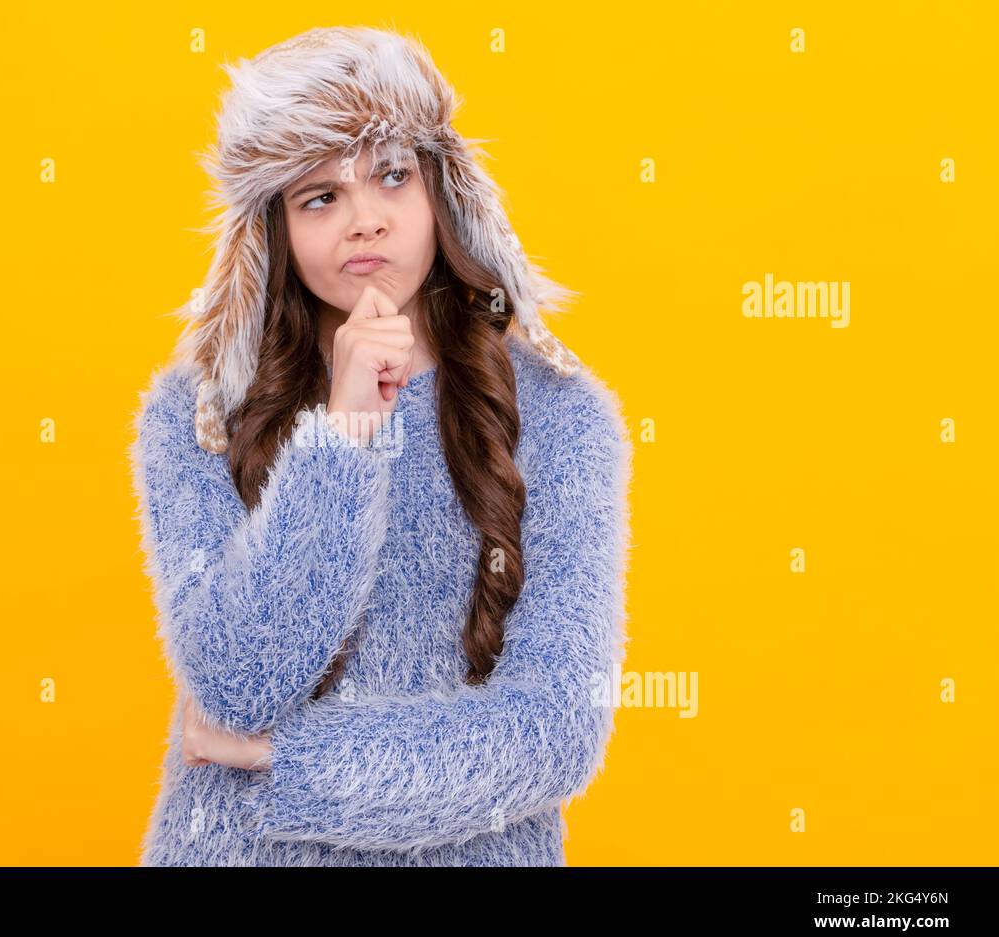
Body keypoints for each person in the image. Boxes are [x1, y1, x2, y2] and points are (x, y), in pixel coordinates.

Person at [129, 25, 633, 866]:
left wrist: (285, 759)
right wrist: (348, 430)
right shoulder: (197, 414)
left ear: (441, 190)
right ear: (274, 230)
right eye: (319, 197)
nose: (364, 219)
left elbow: (552, 731)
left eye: (393, 175)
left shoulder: (561, 417)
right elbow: (238, 680)